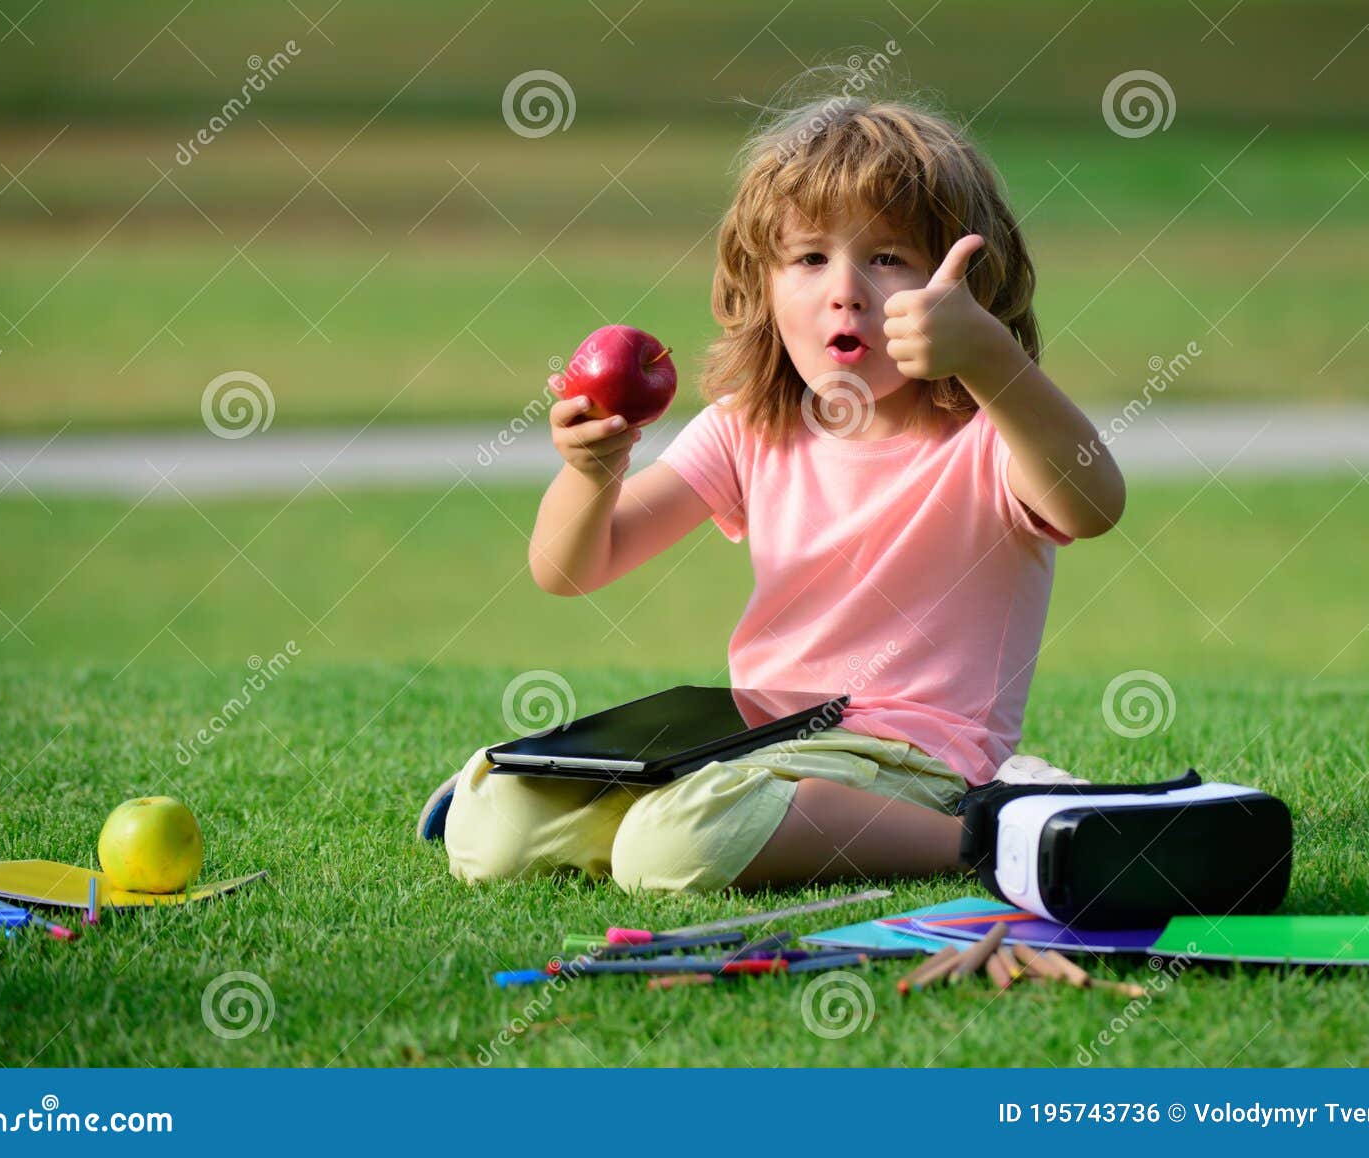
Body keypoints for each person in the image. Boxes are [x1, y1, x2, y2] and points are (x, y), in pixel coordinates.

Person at [421, 96, 1124, 894]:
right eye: (810, 258)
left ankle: (991, 826)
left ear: (964, 284)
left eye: (888, 257)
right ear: (762, 284)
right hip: (755, 738)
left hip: (915, 760)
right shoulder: (750, 426)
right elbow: (572, 567)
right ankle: (622, 807)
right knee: (494, 830)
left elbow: (1093, 504)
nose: (846, 290)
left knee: (671, 845)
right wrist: (591, 473)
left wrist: (992, 359)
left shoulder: (994, 433)